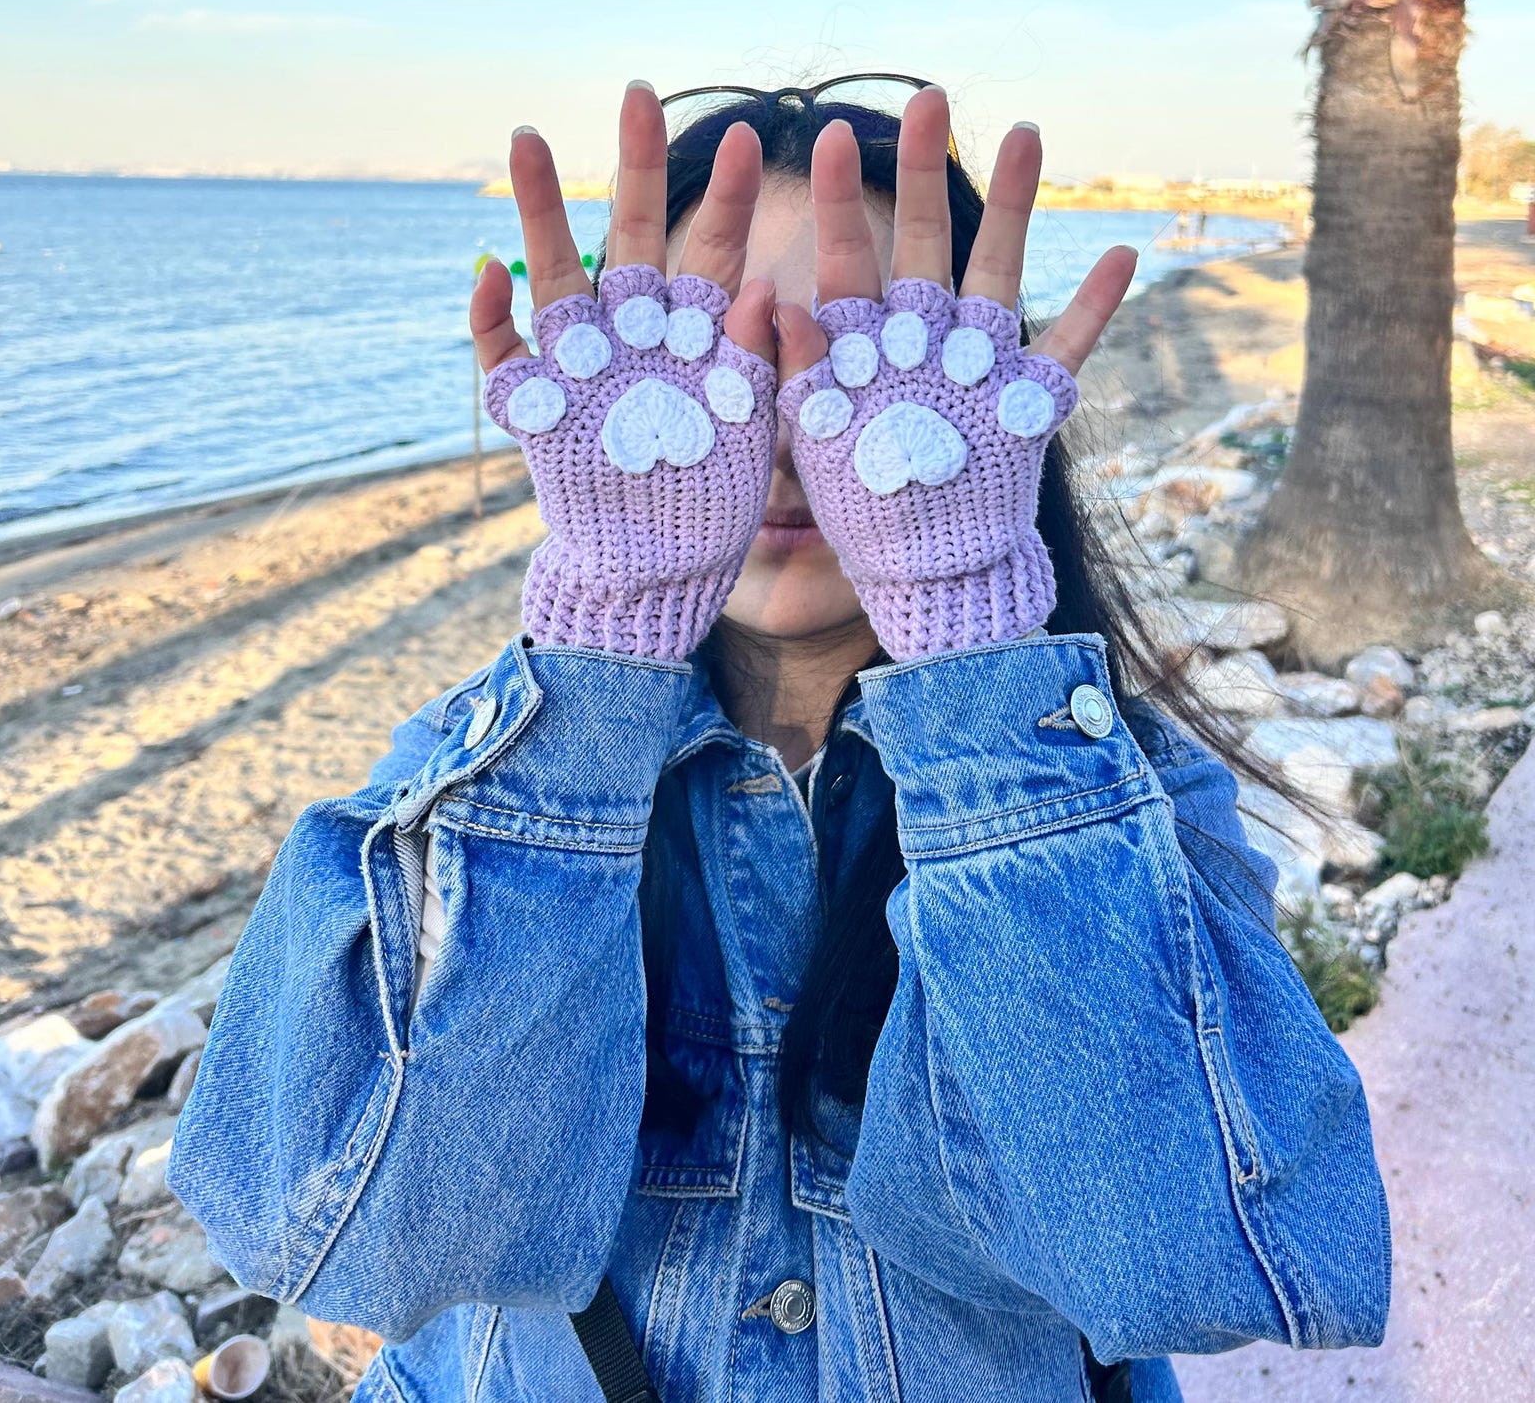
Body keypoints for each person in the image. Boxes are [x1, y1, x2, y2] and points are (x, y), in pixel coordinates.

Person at [169, 78, 1389, 1403]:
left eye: (855, 355)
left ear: (988, 393)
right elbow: (353, 1233)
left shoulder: (1116, 802)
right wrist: (606, 639)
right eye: (717, 359)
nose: (787, 430)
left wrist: (976, 642)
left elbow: (1202, 1260)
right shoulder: (491, 785)